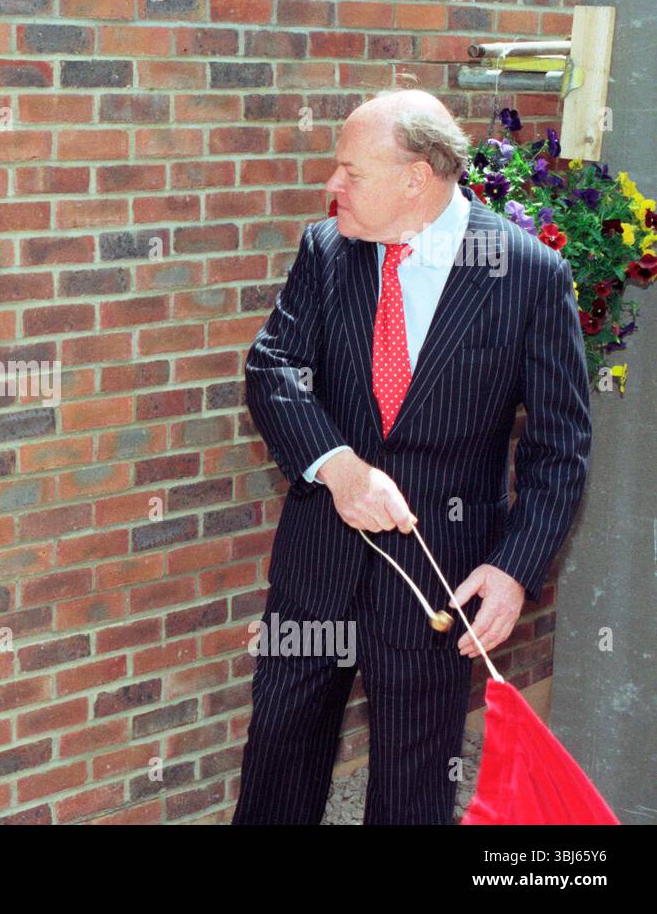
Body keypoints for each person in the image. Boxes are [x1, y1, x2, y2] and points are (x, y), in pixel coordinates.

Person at [232, 89, 592, 824]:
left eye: (350, 171)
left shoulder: (528, 275)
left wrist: (515, 569)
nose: (332, 187)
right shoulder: (327, 250)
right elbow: (273, 370)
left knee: (413, 786)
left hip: (441, 582)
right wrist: (337, 465)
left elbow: (561, 449)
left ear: (415, 178)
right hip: (317, 566)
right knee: (277, 763)